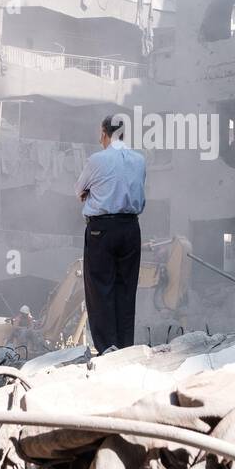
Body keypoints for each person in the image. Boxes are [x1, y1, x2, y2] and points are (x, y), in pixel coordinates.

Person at [74, 114, 146, 353]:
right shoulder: (139, 160)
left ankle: (107, 348)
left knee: (100, 289)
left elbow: (79, 189)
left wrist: (91, 193)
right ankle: (125, 347)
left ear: (105, 134)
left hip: (101, 231)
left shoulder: (98, 159)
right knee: (126, 288)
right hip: (130, 228)